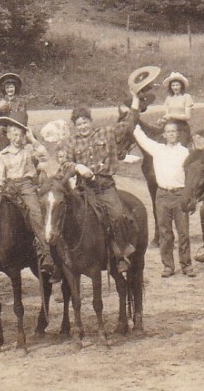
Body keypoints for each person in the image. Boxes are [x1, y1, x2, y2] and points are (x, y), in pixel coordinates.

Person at [61, 106, 137, 264]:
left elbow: (126, 128)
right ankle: (70, 255)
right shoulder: (71, 142)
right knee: (67, 215)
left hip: (104, 186)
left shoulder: (106, 133)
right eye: (79, 124)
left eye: (85, 122)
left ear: (91, 121)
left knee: (116, 214)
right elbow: (64, 163)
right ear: (75, 126)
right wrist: (77, 167)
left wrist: (135, 103)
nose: (83, 127)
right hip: (84, 188)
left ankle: (121, 251)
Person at [0, 111, 57, 277]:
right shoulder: (2, 155)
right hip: (9, 188)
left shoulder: (29, 150)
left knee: (35, 211)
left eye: (20, 134)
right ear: (8, 135)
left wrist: (33, 140)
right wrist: (1, 190)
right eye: (13, 134)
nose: (17, 138)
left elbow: (44, 155)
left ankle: (45, 252)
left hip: (27, 186)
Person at [131, 117, 193, 277]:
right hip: (163, 195)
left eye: (173, 131)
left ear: (178, 134)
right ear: (163, 135)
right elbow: (140, 136)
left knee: (184, 232)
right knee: (165, 233)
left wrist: (190, 198)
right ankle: (168, 266)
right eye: (168, 132)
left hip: (179, 194)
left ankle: (186, 264)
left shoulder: (185, 153)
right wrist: (134, 116)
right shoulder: (158, 149)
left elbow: (192, 175)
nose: (171, 134)